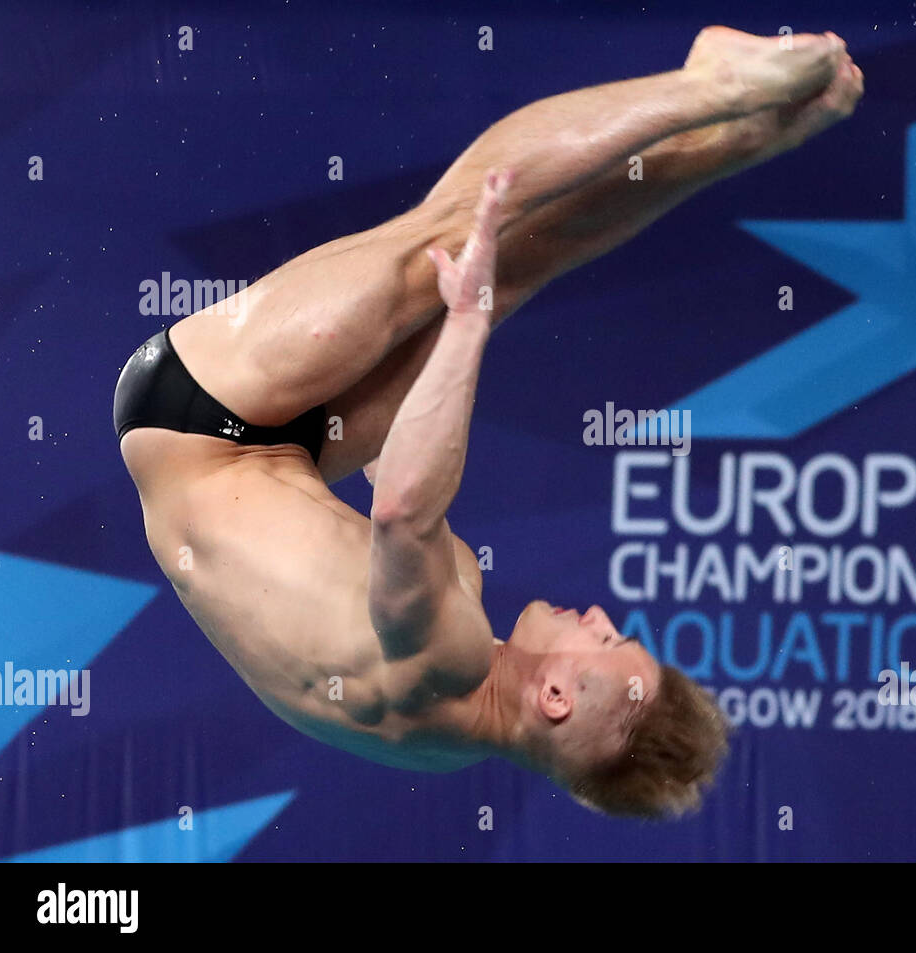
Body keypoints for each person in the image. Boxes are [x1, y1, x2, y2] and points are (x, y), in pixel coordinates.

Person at [113, 27, 863, 818]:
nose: (602, 617)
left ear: (557, 697)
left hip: (197, 409)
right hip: (281, 449)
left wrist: (465, 324)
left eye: (605, 643)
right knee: (519, 259)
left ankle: (713, 85)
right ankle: (751, 136)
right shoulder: (447, 740)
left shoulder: (453, 657)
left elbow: (402, 515)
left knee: (453, 236)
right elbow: (359, 537)